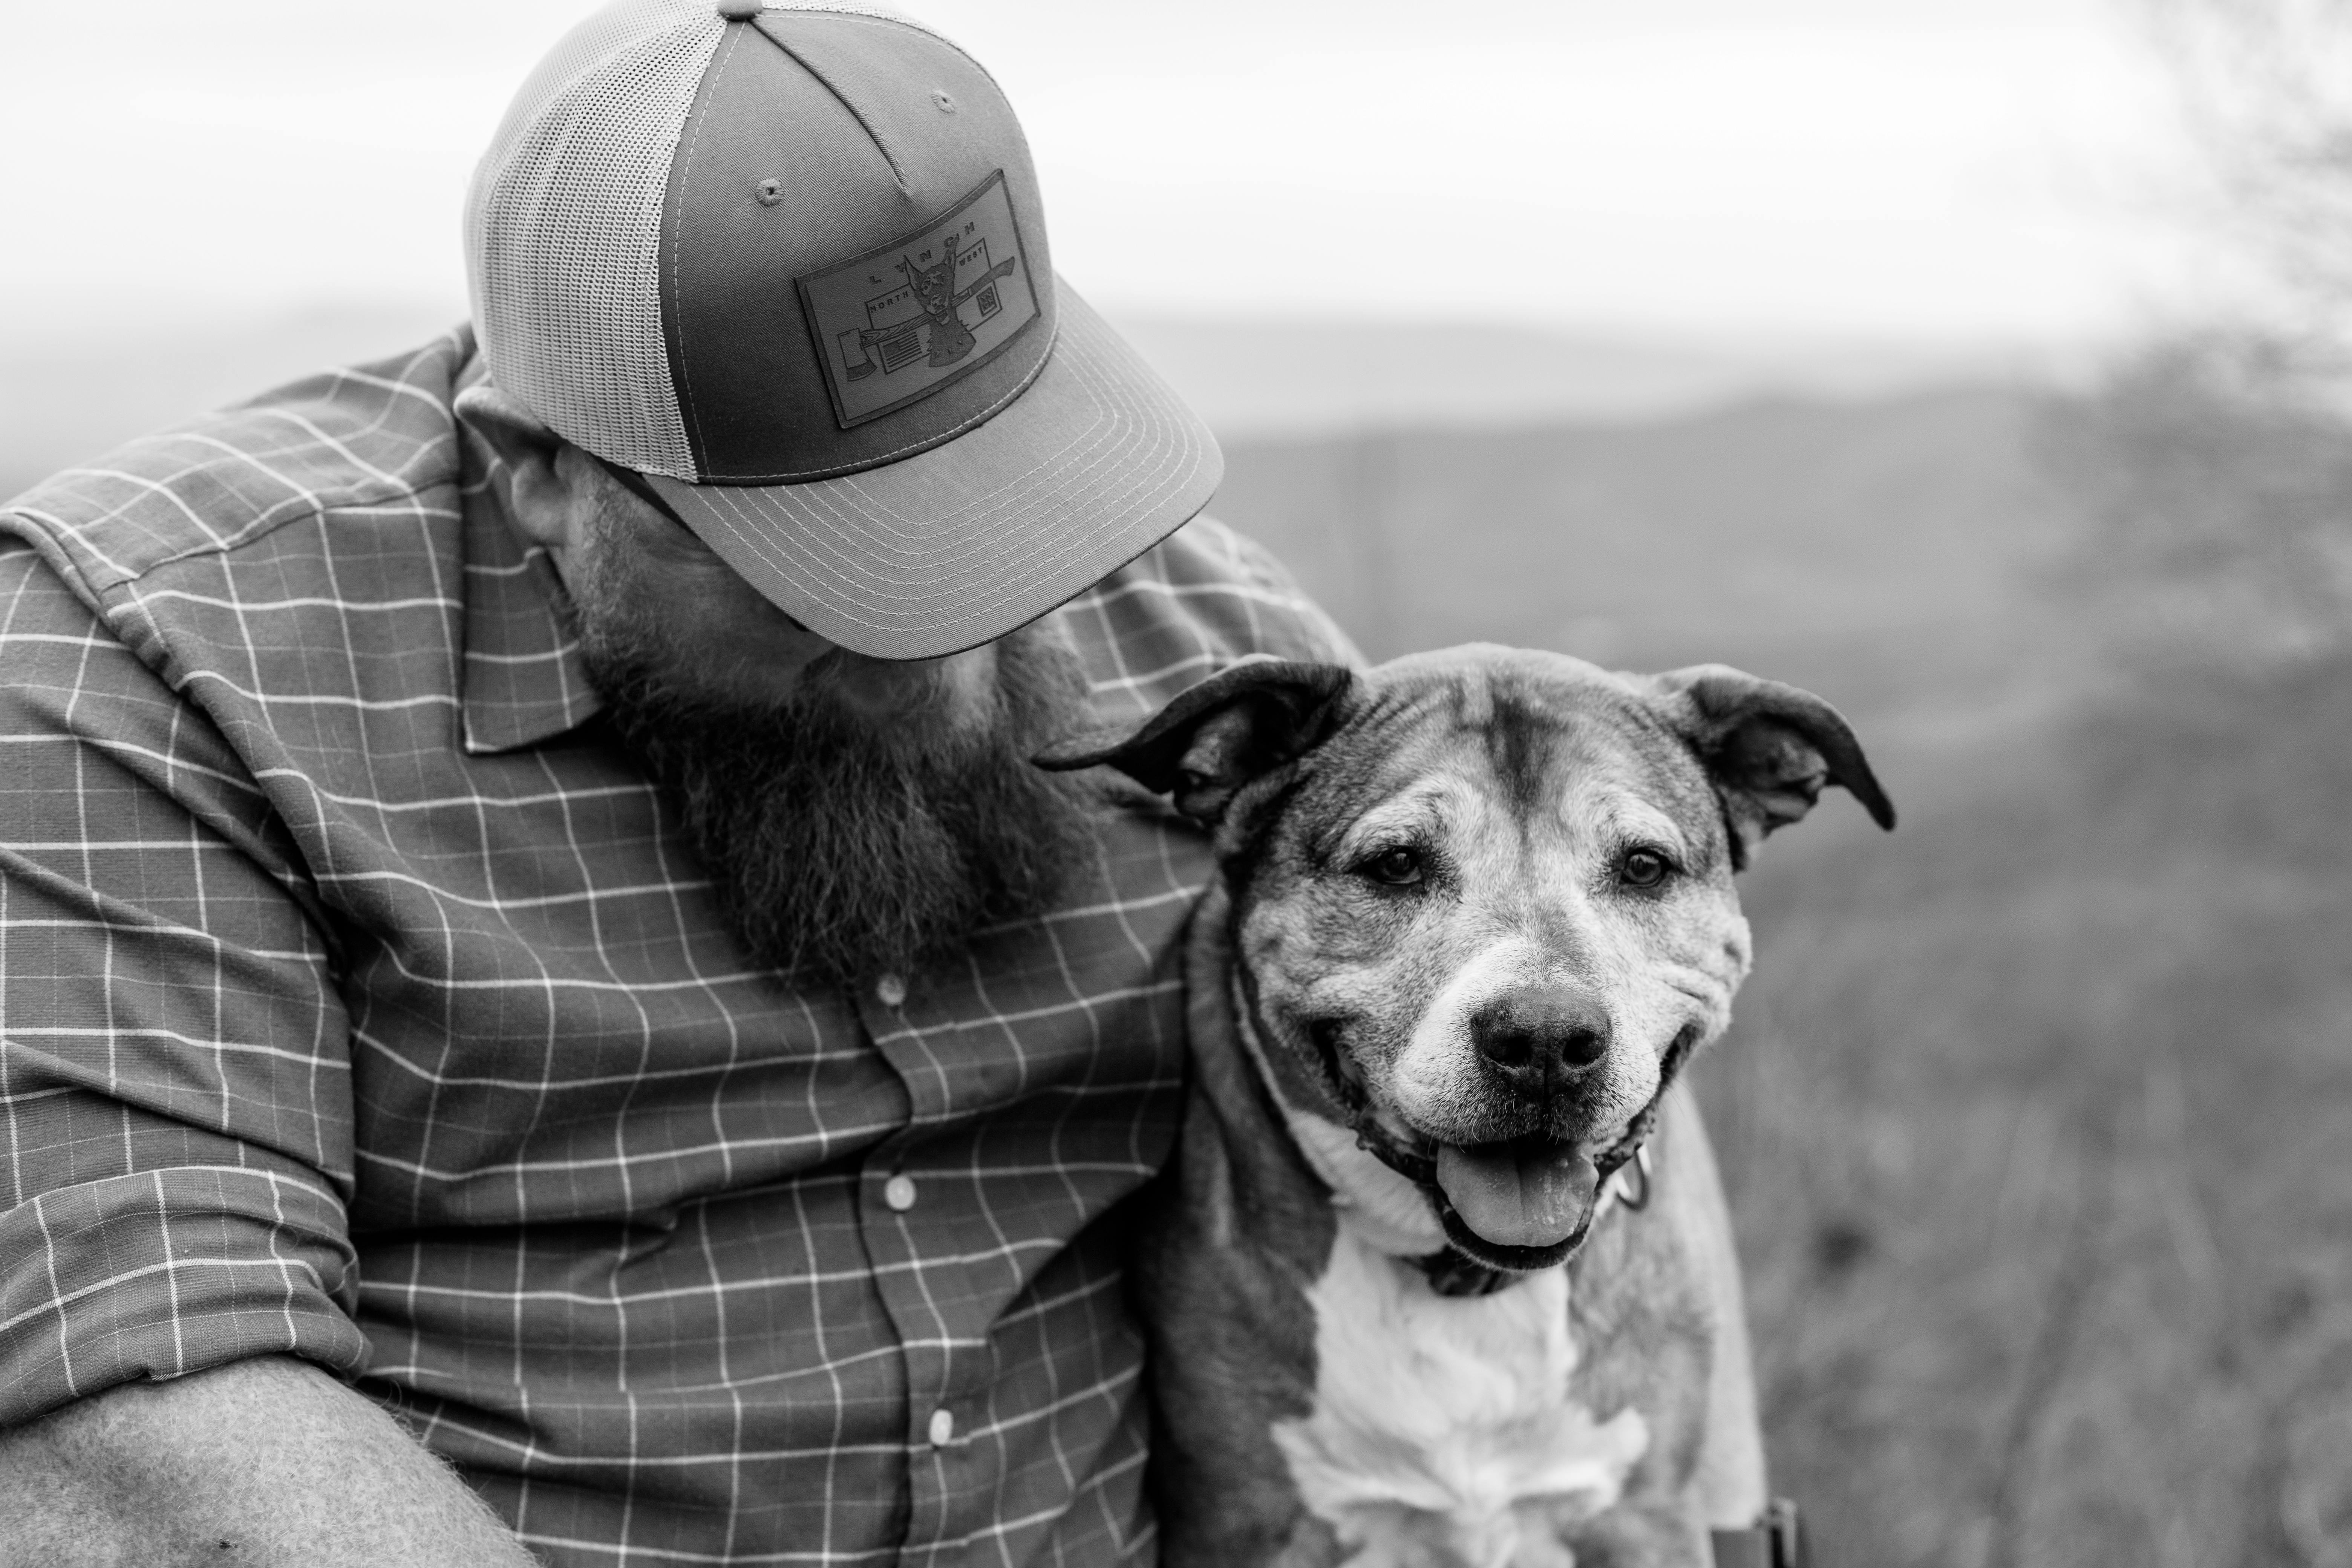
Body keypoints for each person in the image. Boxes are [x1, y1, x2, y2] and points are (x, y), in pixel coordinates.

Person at [0, 3, 1352, 1563]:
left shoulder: (1225, 657)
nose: (960, 658)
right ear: (541, 465)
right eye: (833, 566)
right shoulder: (153, 663)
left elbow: (1572, 1063)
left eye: (993, 502)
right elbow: (141, 1422)